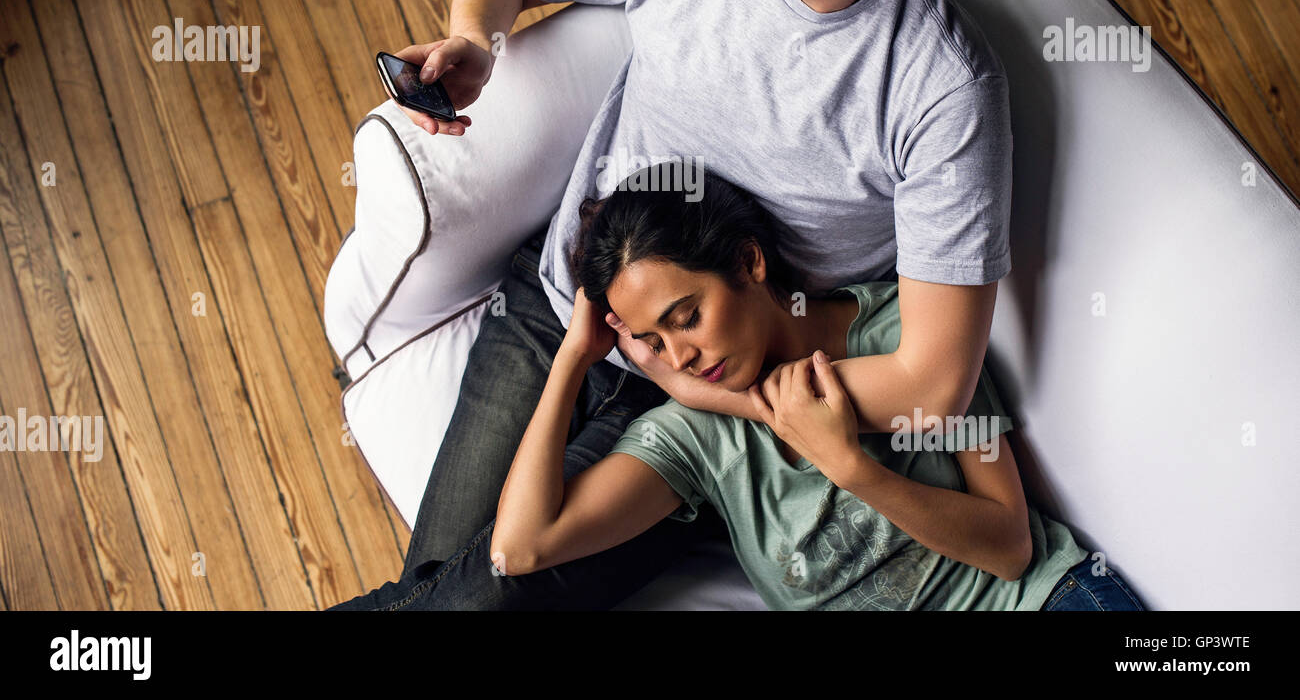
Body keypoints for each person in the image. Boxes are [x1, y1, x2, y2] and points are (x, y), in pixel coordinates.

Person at [334, 0, 1014, 609]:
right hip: (560, 306)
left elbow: (931, 380)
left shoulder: (943, 92)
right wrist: (476, 41)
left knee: (474, 598)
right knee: (435, 590)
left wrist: (739, 399)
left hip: (714, 382)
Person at [335, 169, 1145, 609]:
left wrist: (856, 468)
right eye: (649, 341)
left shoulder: (905, 339)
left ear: (750, 264)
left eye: (687, 315)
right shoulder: (691, 438)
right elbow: (519, 548)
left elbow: (1009, 547)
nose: (681, 357)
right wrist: (573, 362)